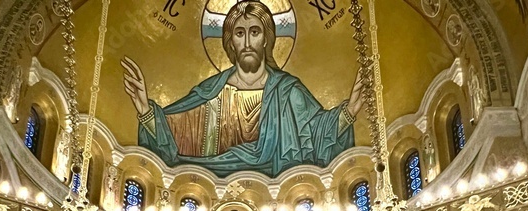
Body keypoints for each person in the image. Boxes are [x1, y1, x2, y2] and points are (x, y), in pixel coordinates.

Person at [122, 0, 362, 178]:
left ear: (267, 39)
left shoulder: (288, 90)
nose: (247, 43)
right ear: (230, 42)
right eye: (239, 33)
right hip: (206, 191)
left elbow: (319, 133)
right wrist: (145, 110)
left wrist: (349, 111)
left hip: (287, 194)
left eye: (254, 32)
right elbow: (171, 137)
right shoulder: (210, 92)